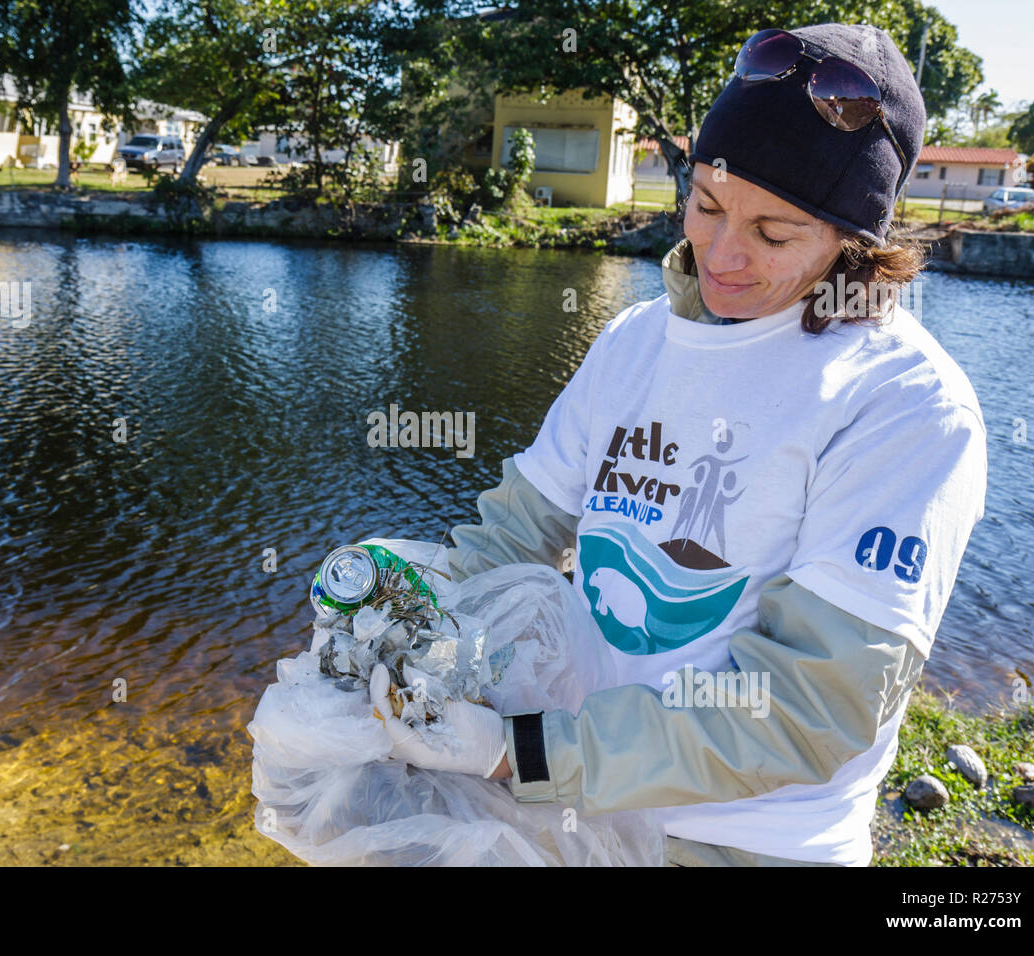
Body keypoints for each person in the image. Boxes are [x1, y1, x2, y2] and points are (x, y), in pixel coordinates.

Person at [367, 22, 988, 866]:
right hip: (578, 809)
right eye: (706, 203)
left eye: (774, 235)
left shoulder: (906, 404)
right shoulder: (635, 339)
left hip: (750, 843)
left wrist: (524, 752)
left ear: (857, 242)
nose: (722, 256)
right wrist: (413, 638)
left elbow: (812, 706)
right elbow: (516, 532)